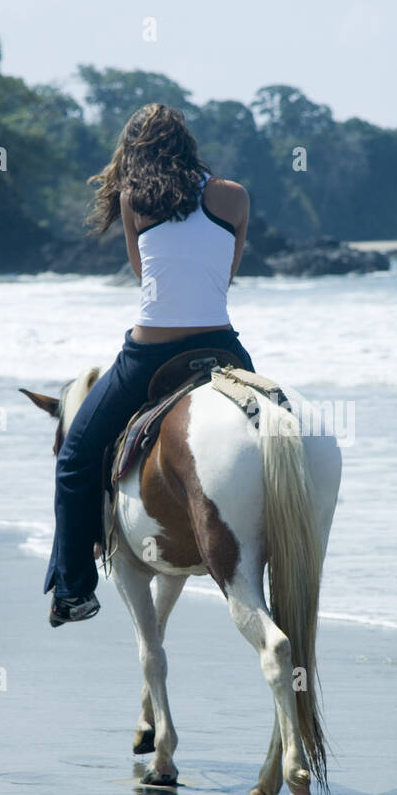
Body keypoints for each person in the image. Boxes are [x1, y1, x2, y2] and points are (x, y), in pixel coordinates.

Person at [44, 104, 255, 627]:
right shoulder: (234, 196)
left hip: (151, 354)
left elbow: (145, 277)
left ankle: (73, 590)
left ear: (134, 150)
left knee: (74, 458)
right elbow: (225, 276)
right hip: (224, 349)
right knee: (272, 432)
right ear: (188, 142)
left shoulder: (133, 197)